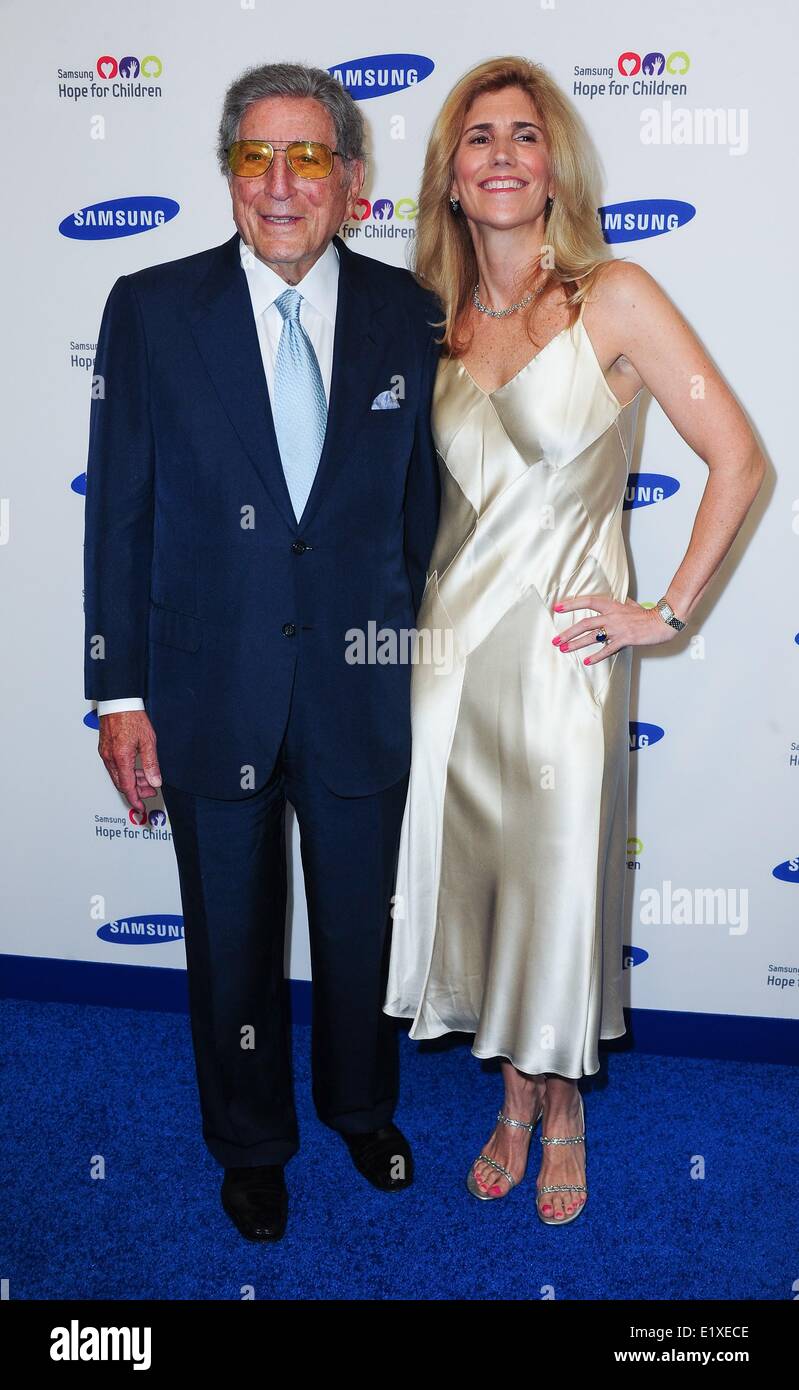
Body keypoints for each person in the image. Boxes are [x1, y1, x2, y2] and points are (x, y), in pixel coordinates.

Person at [384, 56, 766, 1224]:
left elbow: (740, 461)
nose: (502, 154)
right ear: (450, 177)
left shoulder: (616, 295)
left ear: (555, 166)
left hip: (565, 651)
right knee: (482, 887)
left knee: (554, 881)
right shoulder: (429, 321)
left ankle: (558, 1108)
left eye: (524, 134)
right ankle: (512, 1093)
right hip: (450, 654)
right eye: (478, 137)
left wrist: (669, 611)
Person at [83, 61, 441, 1243]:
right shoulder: (149, 305)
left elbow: (419, 518)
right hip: (206, 688)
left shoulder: (408, 314)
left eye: (308, 158)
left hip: (359, 692)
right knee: (228, 939)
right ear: (229, 172)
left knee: (356, 926)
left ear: (350, 179)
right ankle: (249, 1142)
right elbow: (119, 510)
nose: (282, 185)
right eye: (256, 157)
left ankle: (360, 1105)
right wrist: (118, 691)